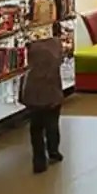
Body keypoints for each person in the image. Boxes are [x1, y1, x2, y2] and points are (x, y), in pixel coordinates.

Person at [21, 22, 65, 173]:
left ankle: (39, 160)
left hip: (34, 95)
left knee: (36, 129)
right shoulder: (56, 46)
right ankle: (54, 151)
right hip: (53, 93)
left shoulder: (32, 49)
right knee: (52, 125)